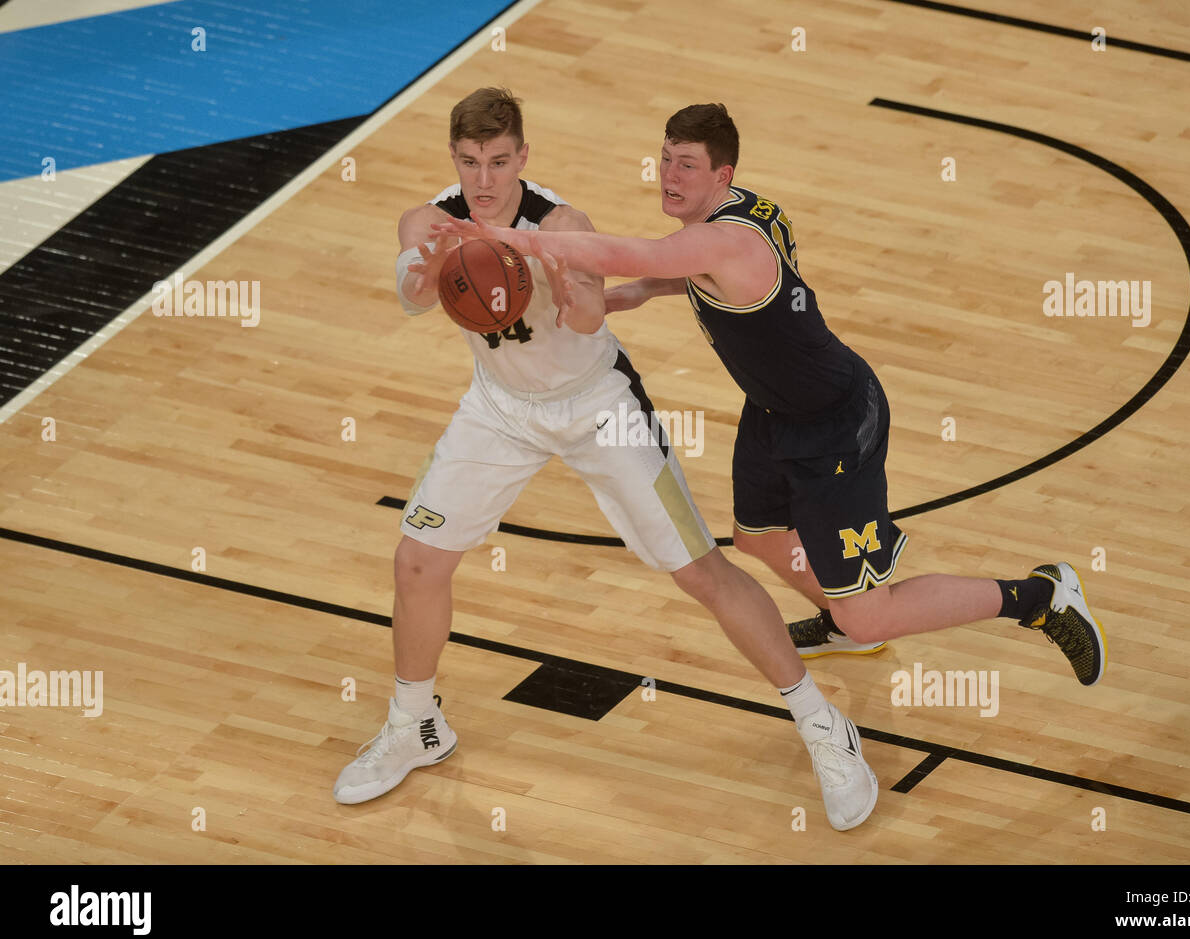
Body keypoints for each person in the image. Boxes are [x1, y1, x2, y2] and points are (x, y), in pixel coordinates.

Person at [334, 89, 880, 833]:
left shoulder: (561, 224)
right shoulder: (430, 221)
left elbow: (590, 316)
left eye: (498, 162)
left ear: (523, 158)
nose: (483, 180)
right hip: (500, 408)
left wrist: (565, 286)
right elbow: (407, 297)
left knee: (700, 571)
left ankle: (824, 726)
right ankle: (415, 723)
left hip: (598, 406)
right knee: (417, 559)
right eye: (469, 163)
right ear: (453, 160)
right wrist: (428, 270)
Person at [431, 102, 1107, 687]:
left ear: (720, 175)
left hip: (837, 423)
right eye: (665, 159)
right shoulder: (739, 217)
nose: (669, 176)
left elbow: (630, 254)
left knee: (868, 604)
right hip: (775, 409)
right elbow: (676, 273)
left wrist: (498, 235)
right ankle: (852, 618)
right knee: (756, 538)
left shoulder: (725, 241)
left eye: (687, 165)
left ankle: (1040, 597)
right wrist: (628, 298)